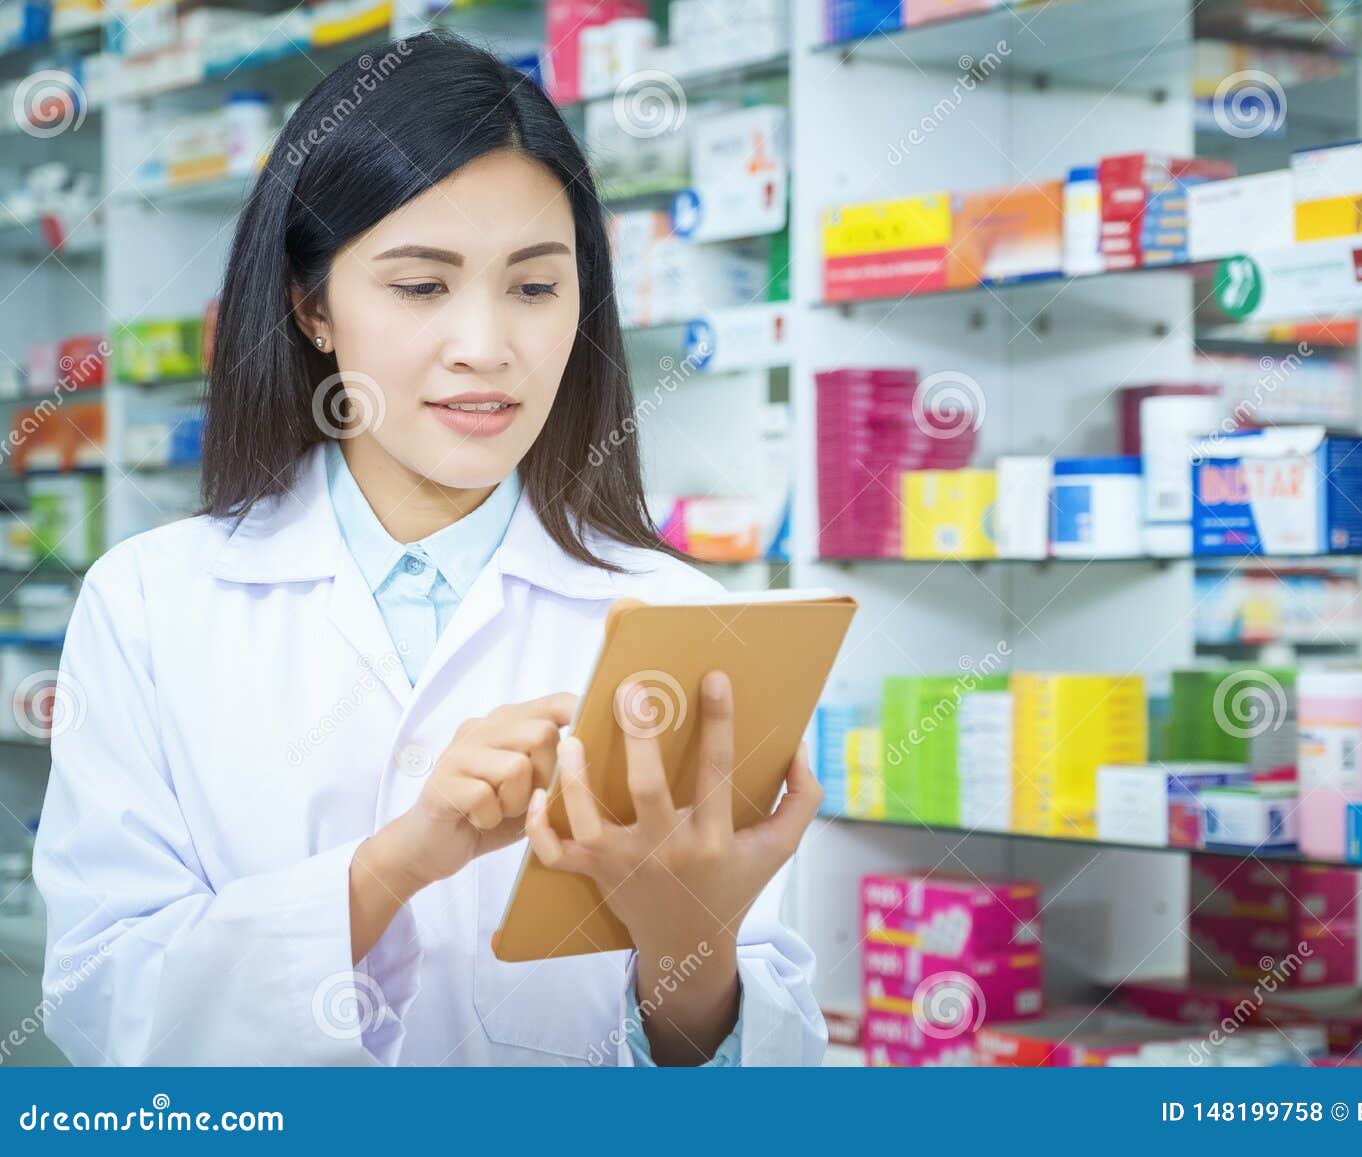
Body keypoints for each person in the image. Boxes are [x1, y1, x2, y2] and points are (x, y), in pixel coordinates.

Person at [31, 31, 825, 1067]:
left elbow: (772, 1083)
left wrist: (688, 940)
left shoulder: (679, 619)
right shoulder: (150, 603)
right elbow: (104, 1005)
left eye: (534, 288)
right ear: (312, 305)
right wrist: (393, 867)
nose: (486, 348)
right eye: (420, 286)